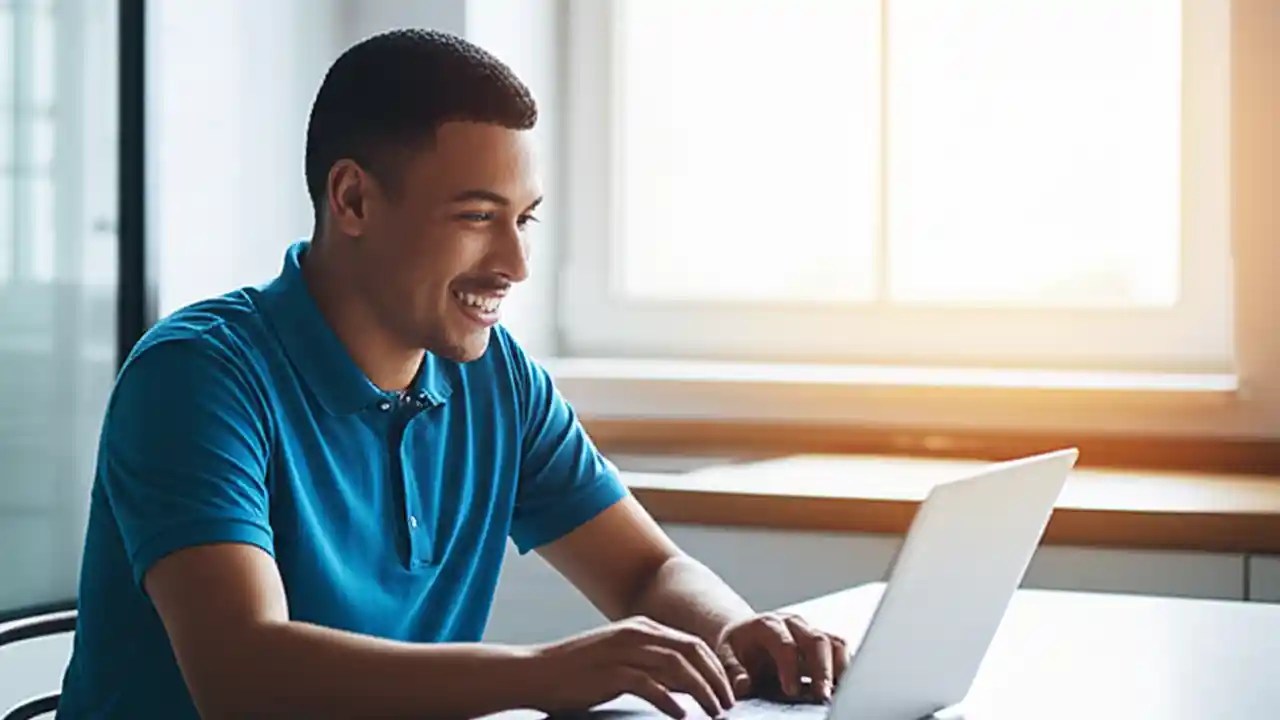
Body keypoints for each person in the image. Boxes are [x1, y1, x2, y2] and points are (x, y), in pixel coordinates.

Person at [58, 29, 847, 719]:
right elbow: (243, 674)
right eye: (477, 217)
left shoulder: (495, 376)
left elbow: (648, 571)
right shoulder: (197, 377)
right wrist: (541, 674)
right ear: (354, 199)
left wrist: (738, 628)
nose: (514, 263)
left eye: (524, 219)